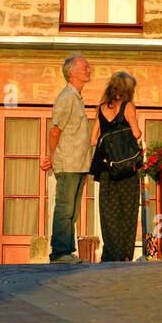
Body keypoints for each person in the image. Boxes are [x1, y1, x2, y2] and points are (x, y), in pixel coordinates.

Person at [41, 53, 93, 263]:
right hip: (68, 162)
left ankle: (67, 250)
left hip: (80, 163)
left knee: (72, 210)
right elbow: (55, 130)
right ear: (72, 73)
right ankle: (59, 252)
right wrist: (52, 157)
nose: (89, 70)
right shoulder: (66, 97)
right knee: (64, 207)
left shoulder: (77, 99)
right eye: (85, 67)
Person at [90, 71, 142, 263]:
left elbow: (93, 139)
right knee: (128, 212)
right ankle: (126, 255)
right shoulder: (128, 106)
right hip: (127, 168)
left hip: (107, 169)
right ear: (128, 89)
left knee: (109, 212)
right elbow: (136, 133)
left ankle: (112, 254)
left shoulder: (101, 108)